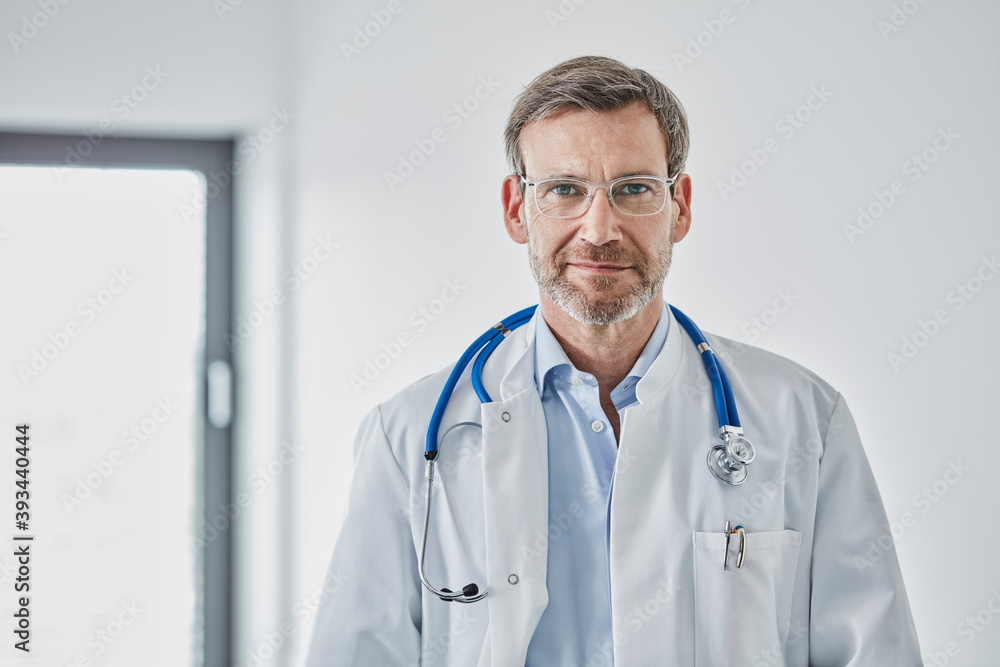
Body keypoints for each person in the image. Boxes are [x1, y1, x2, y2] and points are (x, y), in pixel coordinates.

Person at [304, 56, 922, 666]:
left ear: (679, 206)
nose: (599, 229)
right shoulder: (409, 437)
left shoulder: (804, 421)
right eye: (564, 190)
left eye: (633, 190)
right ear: (518, 210)